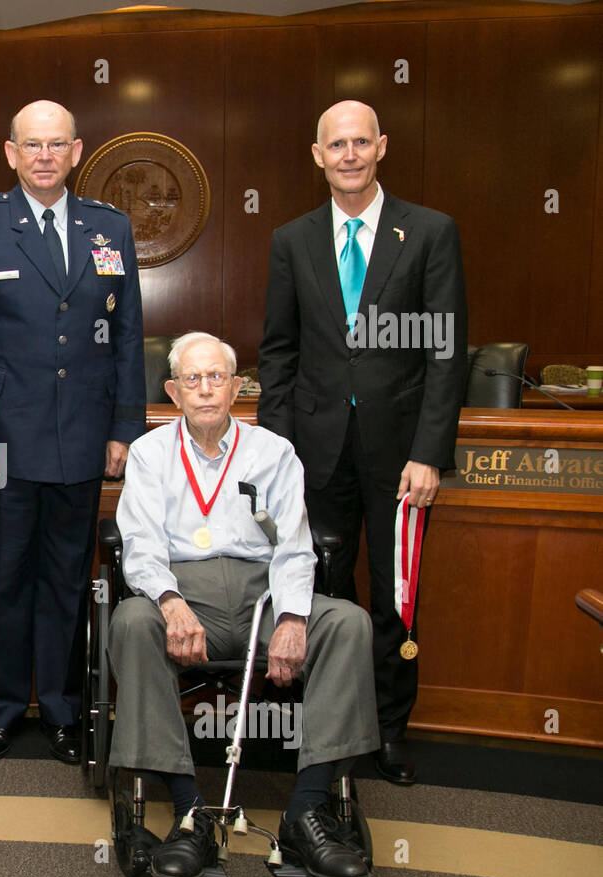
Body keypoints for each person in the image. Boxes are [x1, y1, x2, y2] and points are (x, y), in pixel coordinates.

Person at [109, 332, 378, 877]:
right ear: (173, 391)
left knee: (350, 623)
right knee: (131, 621)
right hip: (185, 594)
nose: (205, 390)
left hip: (266, 594)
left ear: (236, 388)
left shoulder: (273, 452)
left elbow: (295, 546)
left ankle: (307, 809)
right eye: (192, 379)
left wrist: (295, 618)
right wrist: (170, 601)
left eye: (216, 378)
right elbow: (139, 542)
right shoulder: (149, 453)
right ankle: (190, 813)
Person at [259, 100, 467, 786]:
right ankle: (326, 726)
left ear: (381, 146)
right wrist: (278, 457)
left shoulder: (431, 233)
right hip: (316, 454)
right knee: (321, 589)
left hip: (402, 456)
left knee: (393, 597)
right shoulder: (292, 240)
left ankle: (387, 728)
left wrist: (431, 451)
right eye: (334, 145)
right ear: (316, 155)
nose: (348, 154)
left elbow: (445, 353)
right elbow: (280, 357)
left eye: (360, 142)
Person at [0, 99, 146, 764]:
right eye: (32, 145)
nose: (44, 156)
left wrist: (123, 429)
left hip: (83, 436)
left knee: (66, 577)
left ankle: (59, 710)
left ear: (77, 151)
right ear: (11, 152)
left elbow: (127, 335)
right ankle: (5, 708)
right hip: (2, 437)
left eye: (57, 144)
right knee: (6, 576)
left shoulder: (108, 227)